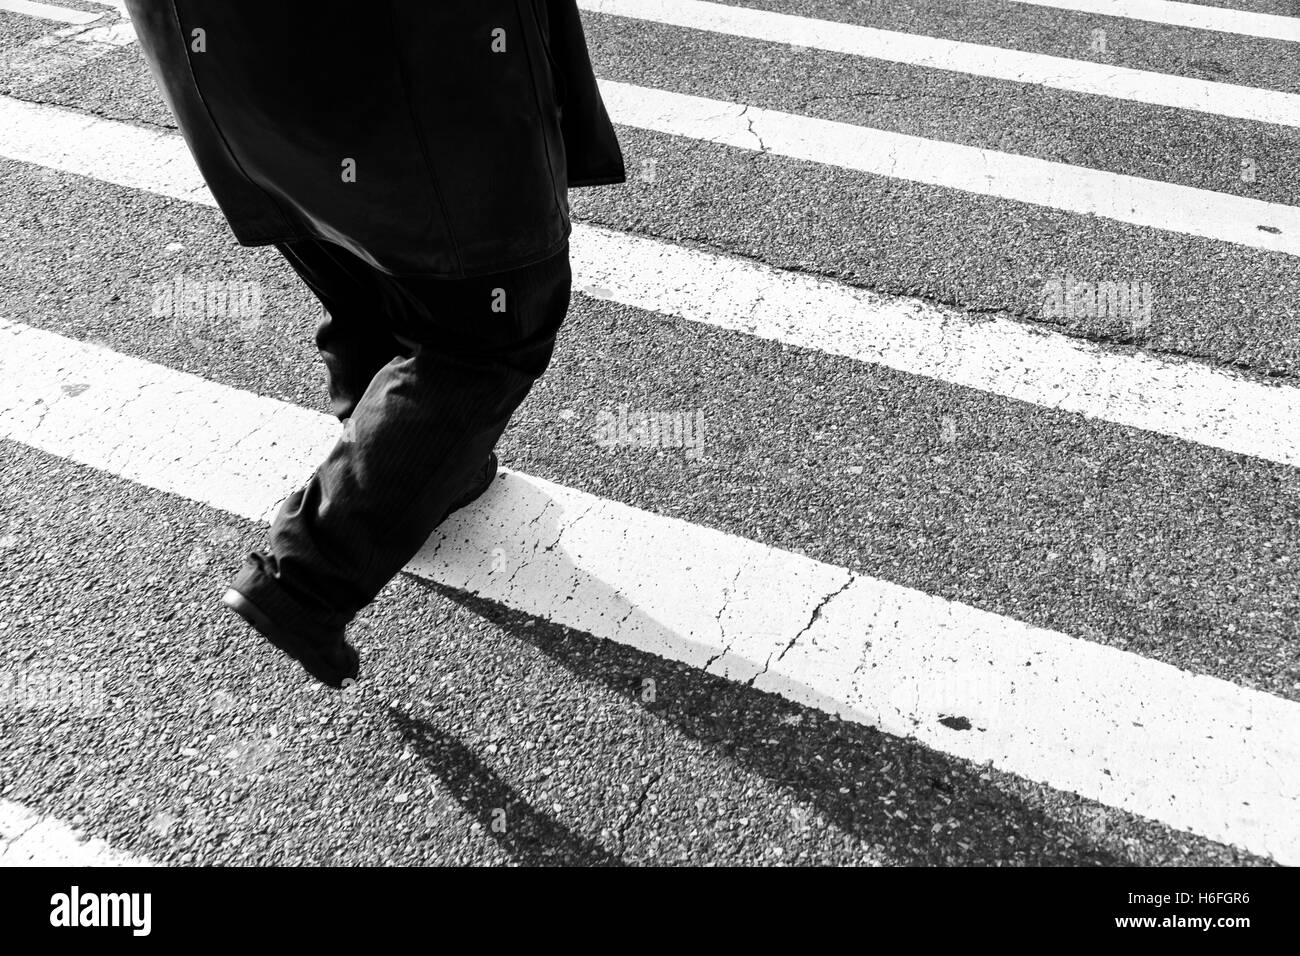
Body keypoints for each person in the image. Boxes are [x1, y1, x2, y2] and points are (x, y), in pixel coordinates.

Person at [126, 1, 625, 688]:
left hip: (223, 62)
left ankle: (418, 471)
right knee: (488, 327)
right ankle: (305, 577)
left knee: (356, 263)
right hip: (407, 57)